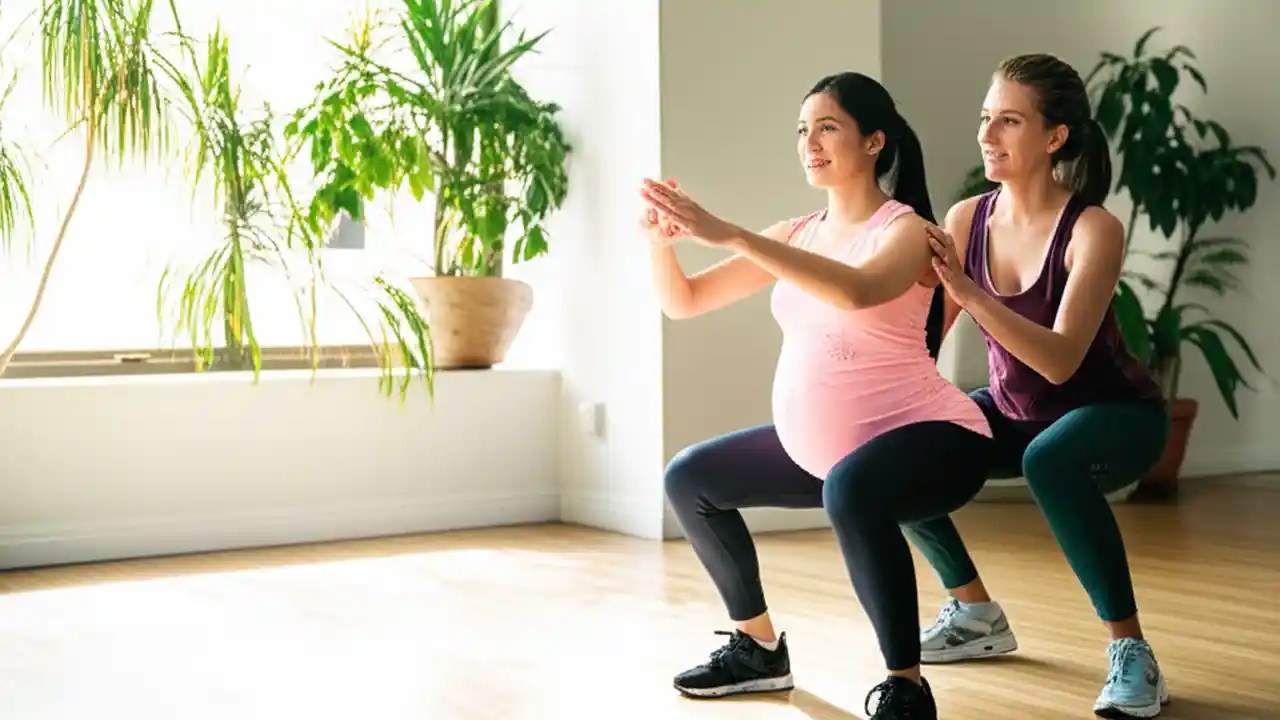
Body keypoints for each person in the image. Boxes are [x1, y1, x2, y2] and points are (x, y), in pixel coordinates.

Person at [639, 71, 993, 720]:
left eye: (827, 127)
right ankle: (757, 648)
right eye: (803, 130)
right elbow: (684, 302)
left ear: (874, 142)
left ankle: (906, 686)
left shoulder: (906, 230)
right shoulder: (795, 233)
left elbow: (856, 291)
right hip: (830, 456)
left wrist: (736, 235)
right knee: (690, 478)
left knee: (852, 490)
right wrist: (660, 243)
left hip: (938, 438)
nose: (810, 142)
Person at [912, 53, 1172, 719]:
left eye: (1009, 121)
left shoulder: (1093, 229)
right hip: (1015, 412)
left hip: (1116, 415)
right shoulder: (968, 217)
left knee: (1048, 459)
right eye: (984, 119)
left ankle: (1131, 651)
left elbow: (1058, 361)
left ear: (1055, 137)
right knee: (898, 450)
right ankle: (974, 613)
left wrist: (970, 293)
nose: (986, 134)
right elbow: (929, 333)